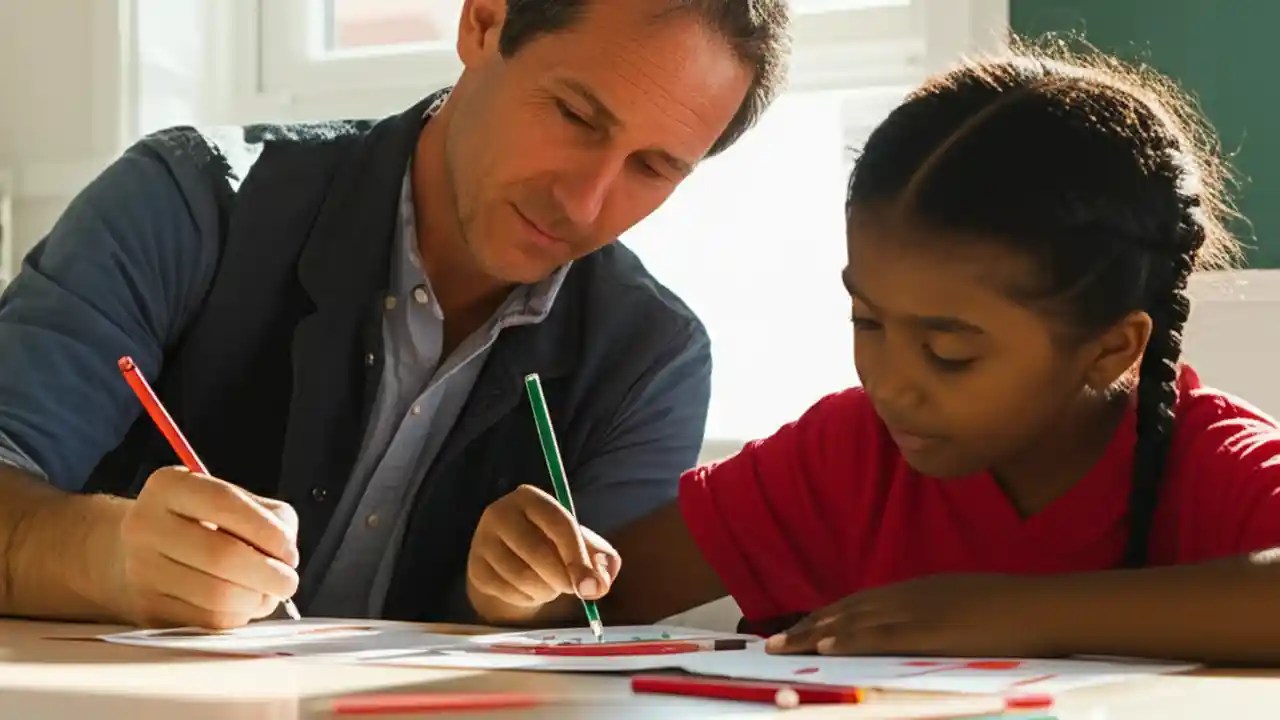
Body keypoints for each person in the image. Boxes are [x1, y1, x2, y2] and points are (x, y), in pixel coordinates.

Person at [464, 42, 1280, 664]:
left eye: (951, 352)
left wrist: (1010, 615)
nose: (893, 383)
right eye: (868, 322)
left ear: (1110, 349)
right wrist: (525, 584)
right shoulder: (849, 457)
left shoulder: (1204, 462)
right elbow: (603, 598)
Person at [0, 0, 790, 629]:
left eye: (653, 168)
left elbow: (590, 635)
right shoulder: (188, 204)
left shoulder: (651, 359)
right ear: (483, 21)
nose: (584, 202)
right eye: (577, 117)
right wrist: (107, 559)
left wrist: (524, 601)